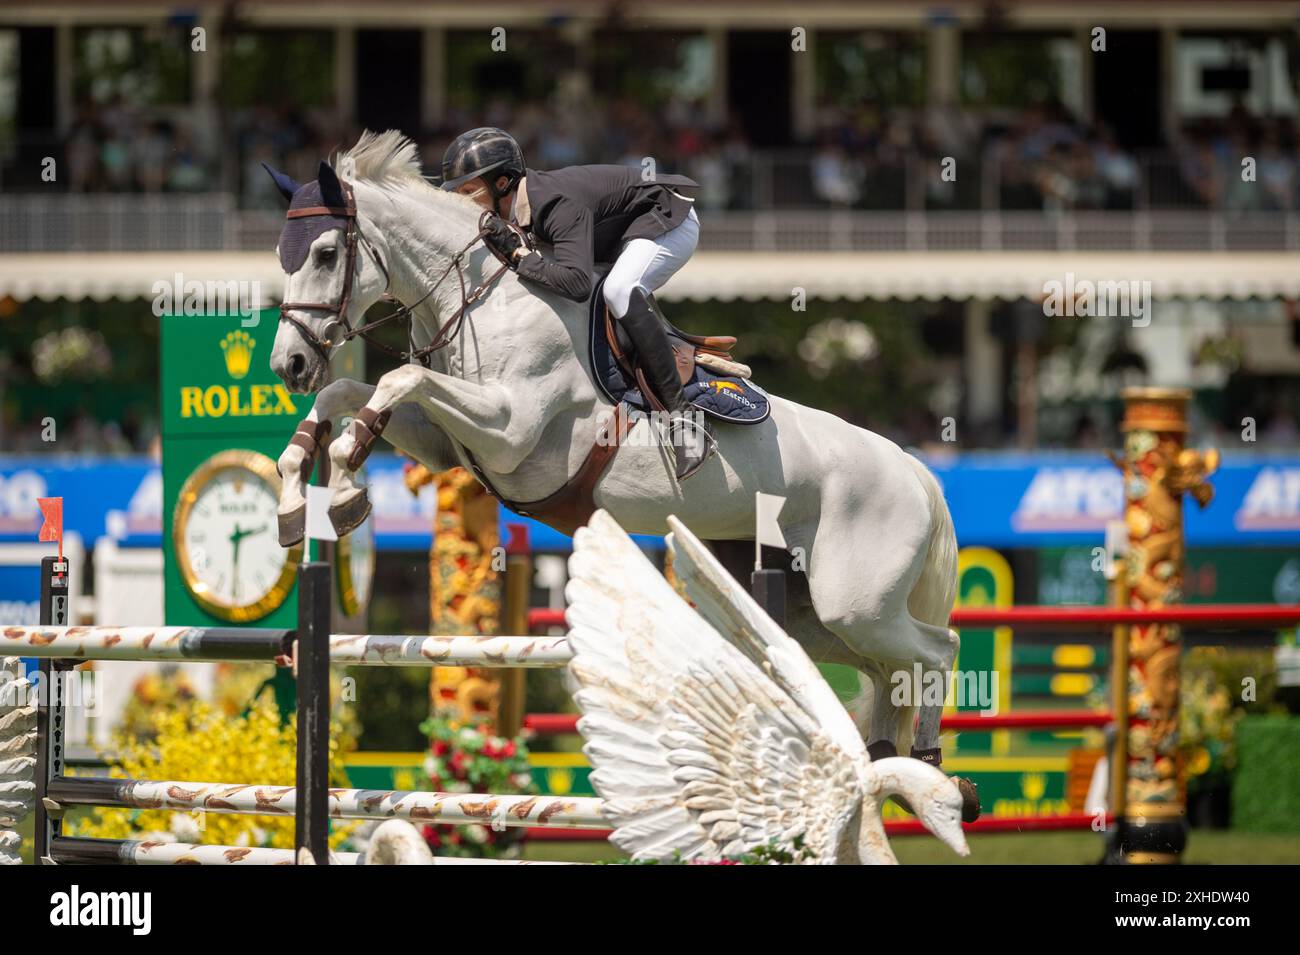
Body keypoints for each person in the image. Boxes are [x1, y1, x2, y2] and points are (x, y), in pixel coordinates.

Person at [439, 126, 713, 480]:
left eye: (468, 191)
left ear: (503, 183)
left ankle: (684, 419)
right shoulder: (520, 209)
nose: (460, 203)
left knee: (618, 290)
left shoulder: (555, 204)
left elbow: (577, 283)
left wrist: (521, 257)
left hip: (667, 219)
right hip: (621, 232)